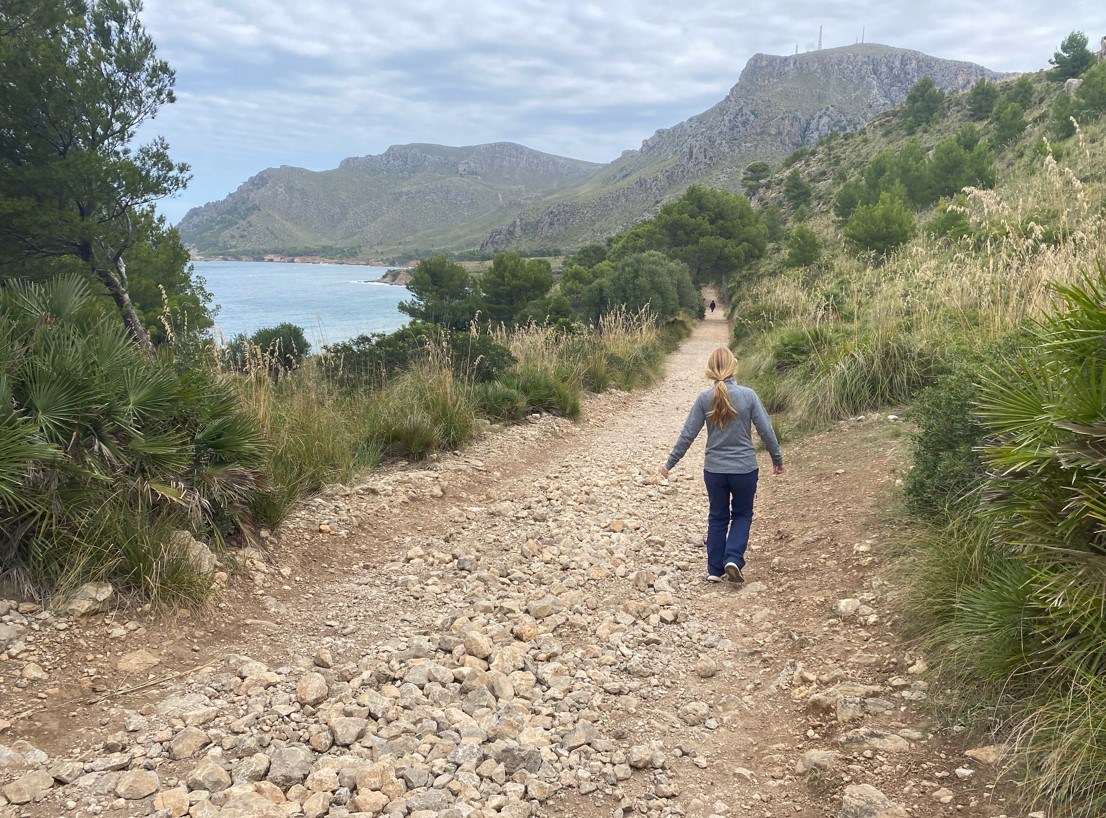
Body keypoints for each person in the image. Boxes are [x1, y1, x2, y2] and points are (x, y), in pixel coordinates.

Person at [661, 347, 783, 583]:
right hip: (744, 469)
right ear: (733, 366)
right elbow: (766, 430)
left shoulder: (704, 399)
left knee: (717, 516)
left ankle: (715, 569)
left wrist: (670, 463)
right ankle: (733, 559)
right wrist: (776, 459)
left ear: (710, 369)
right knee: (742, 514)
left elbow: (688, 434)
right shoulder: (748, 395)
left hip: (714, 470)